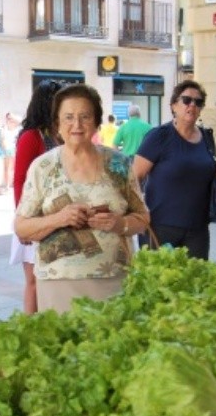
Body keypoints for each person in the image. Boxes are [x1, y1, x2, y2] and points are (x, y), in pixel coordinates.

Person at [15, 84, 150, 313]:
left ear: (97, 122)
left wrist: (120, 224)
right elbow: (21, 227)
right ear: (57, 124)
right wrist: (58, 219)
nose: (76, 125)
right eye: (68, 117)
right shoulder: (43, 167)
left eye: (85, 117)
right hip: (58, 282)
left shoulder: (117, 163)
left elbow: (143, 217)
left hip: (114, 280)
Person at [132, 81, 216, 260]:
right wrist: (139, 210)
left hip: (197, 229)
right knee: (159, 283)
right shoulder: (159, 136)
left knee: (194, 284)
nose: (192, 105)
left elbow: (206, 171)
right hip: (159, 225)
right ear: (174, 105)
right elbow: (134, 176)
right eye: (186, 100)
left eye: (198, 102)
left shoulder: (207, 137)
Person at [11, 80, 63, 314]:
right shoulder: (31, 136)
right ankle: (31, 329)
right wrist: (25, 221)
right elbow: (19, 180)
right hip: (34, 216)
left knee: (56, 280)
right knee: (34, 281)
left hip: (60, 217)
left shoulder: (61, 134)